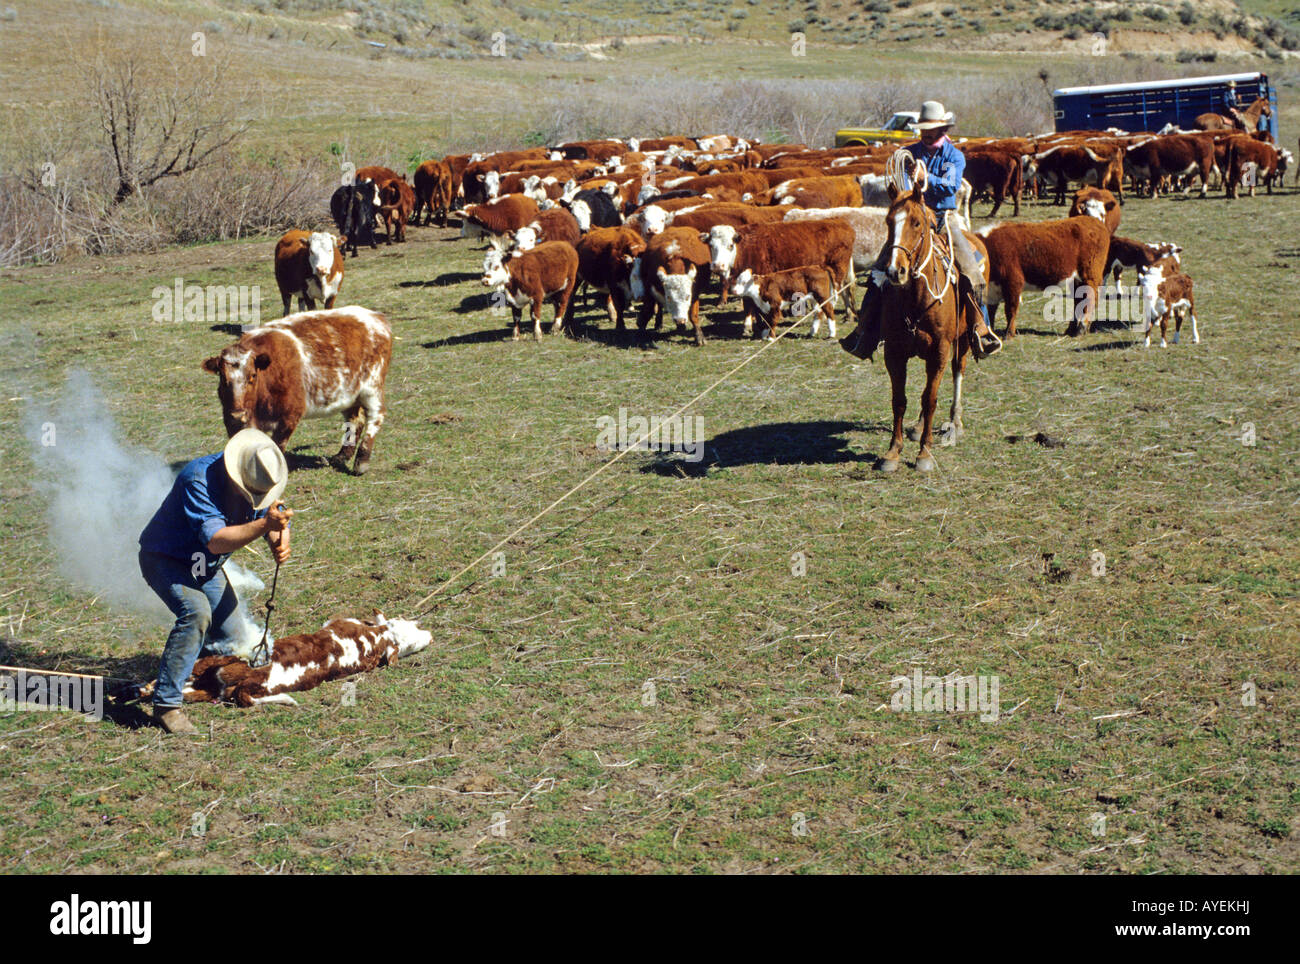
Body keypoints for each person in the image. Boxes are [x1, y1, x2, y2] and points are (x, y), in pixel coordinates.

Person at [138, 429, 292, 734]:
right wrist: (265, 525)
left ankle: (200, 672)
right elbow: (217, 542)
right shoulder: (198, 479)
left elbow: (276, 513)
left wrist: (280, 534)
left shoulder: (256, 471)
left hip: (202, 565)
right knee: (196, 613)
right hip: (167, 560)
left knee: (234, 638)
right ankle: (167, 704)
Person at [842, 100, 1002, 361]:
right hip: (914, 219)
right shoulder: (909, 152)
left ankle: (980, 329)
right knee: (878, 272)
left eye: (932, 129)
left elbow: (951, 186)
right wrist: (907, 179)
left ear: (942, 129)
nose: (926, 134)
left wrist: (925, 178)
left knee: (971, 270)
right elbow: (902, 187)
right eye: (923, 129)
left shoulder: (953, 156)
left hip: (943, 219)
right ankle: (864, 332)